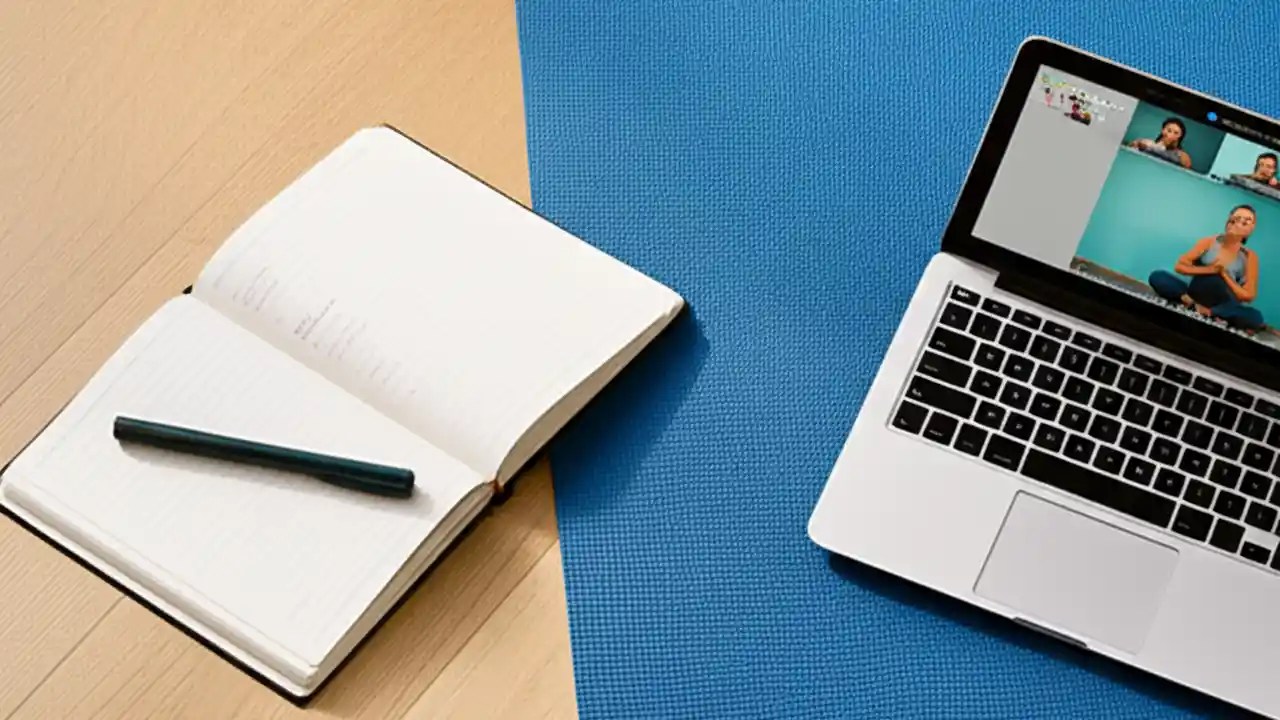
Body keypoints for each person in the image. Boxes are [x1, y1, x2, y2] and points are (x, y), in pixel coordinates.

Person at [1148, 205, 1264, 330]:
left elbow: (1248, 295)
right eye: (1236, 218)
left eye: (1245, 221)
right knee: (1158, 276)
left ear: (1251, 229)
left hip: (1222, 305)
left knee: (1255, 317)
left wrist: (1224, 275)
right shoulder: (1208, 242)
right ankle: (1190, 303)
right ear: (1228, 221)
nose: (1238, 223)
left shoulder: (1250, 257)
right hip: (1193, 294)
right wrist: (1209, 270)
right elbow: (1180, 266)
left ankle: (1210, 312)